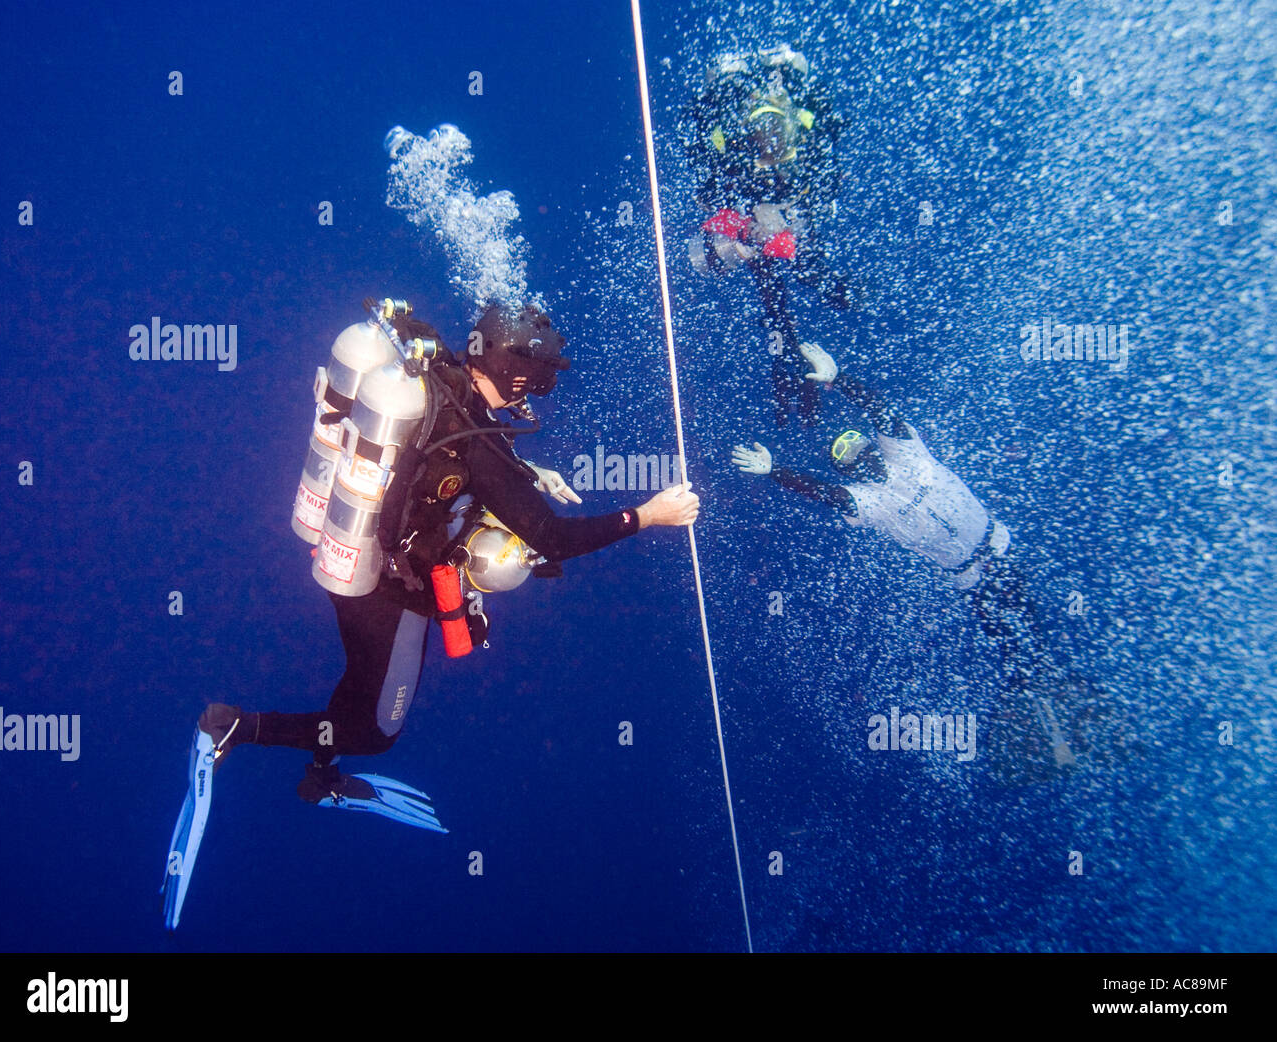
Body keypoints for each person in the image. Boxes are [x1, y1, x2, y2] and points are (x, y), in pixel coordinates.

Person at [200, 303, 699, 801]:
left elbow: (450, 460)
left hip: (349, 551)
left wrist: (527, 475)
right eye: (540, 383)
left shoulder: (438, 380)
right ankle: (240, 727)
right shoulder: (477, 441)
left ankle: (323, 769)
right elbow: (551, 539)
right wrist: (648, 515)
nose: (540, 396)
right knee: (376, 733)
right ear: (521, 378)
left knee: (359, 677)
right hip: (391, 595)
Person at [732, 372, 1104, 781]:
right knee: (1016, 655)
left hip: (999, 554)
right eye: (847, 455)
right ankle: (1042, 733)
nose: (857, 453)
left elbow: (881, 411)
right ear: (847, 469)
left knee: (1034, 645)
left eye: (858, 443)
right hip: (973, 582)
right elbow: (826, 492)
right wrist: (775, 472)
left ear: (874, 445)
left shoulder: (908, 455)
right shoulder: (869, 502)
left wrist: (839, 379)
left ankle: (1068, 712)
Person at [686, 43, 853, 427]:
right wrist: (745, 235)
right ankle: (791, 383)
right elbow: (708, 186)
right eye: (764, 157)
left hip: (772, 223)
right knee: (777, 304)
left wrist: (782, 229)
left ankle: (794, 383)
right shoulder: (732, 153)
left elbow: (829, 158)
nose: (770, 162)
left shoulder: (805, 147)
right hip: (756, 224)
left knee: (799, 297)